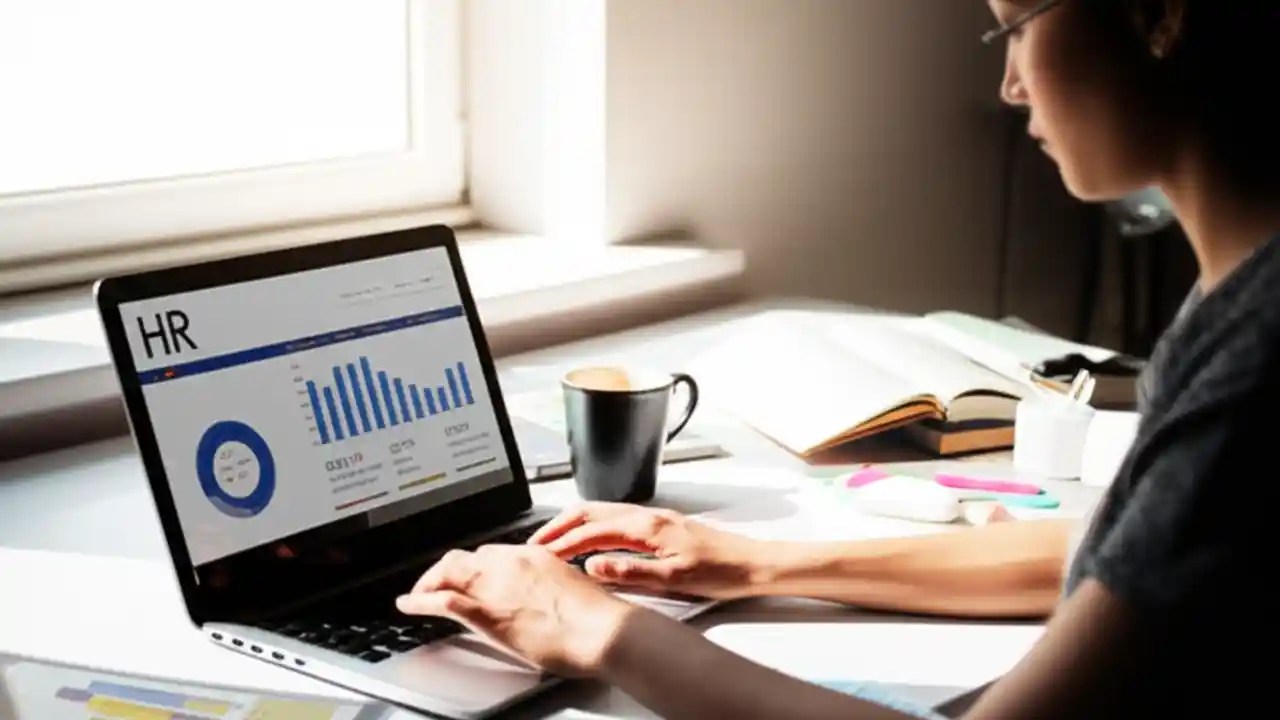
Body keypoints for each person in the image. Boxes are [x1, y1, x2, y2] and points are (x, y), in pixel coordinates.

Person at [396, 1, 1280, 716]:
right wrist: (757, 564)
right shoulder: (1234, 293)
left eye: (1015, 27)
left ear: (1158, 15)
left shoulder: (1255, 361)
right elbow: (1104, 554)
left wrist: (600, 632)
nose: (1009, 85)